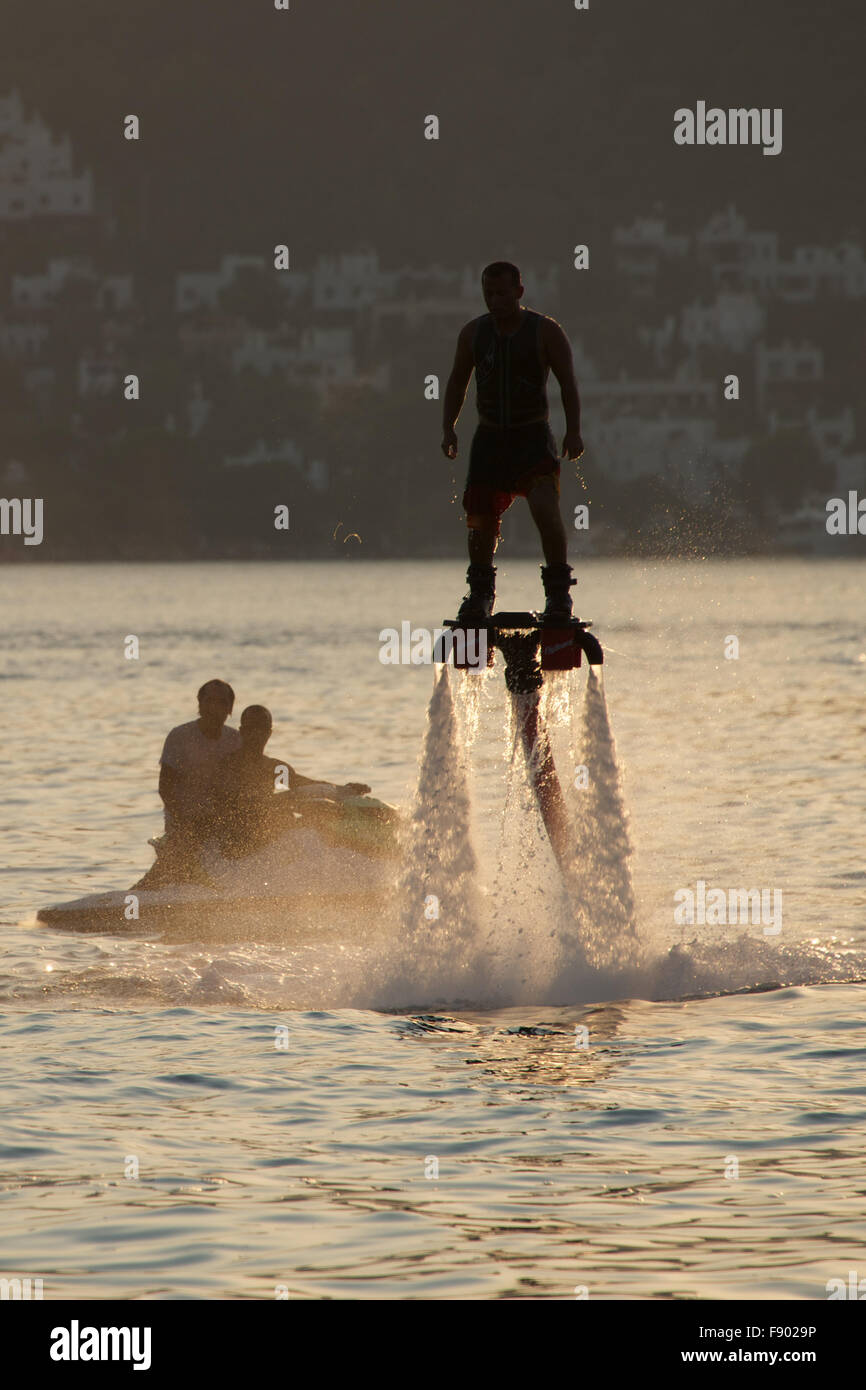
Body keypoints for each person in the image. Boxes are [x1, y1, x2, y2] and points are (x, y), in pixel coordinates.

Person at [441, 260, 584, 623]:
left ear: (519, 291)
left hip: (532, 437)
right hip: (489, 439)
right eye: (488, 293)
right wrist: (448, 428)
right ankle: (479, 595)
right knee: (479, 517)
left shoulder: (546, 331)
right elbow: (457, 382)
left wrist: (573, 430)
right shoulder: (473, 334)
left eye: (502, 293)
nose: (494, 300)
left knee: (544, 509)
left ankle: (558, 596)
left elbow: (568, 383)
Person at [215, 705, 371, 857]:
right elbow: (232, 804)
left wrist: (345, 789)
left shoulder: (274, 768)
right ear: (242, 732)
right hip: (235, 839)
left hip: (265, 832)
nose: (256, 735)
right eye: (251, 729)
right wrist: (285, 804)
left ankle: (359, 845)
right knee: (292, 808)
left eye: (261, 730)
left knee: (318, 807)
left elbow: (303, 784)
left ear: (269, 733)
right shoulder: (229, 765)